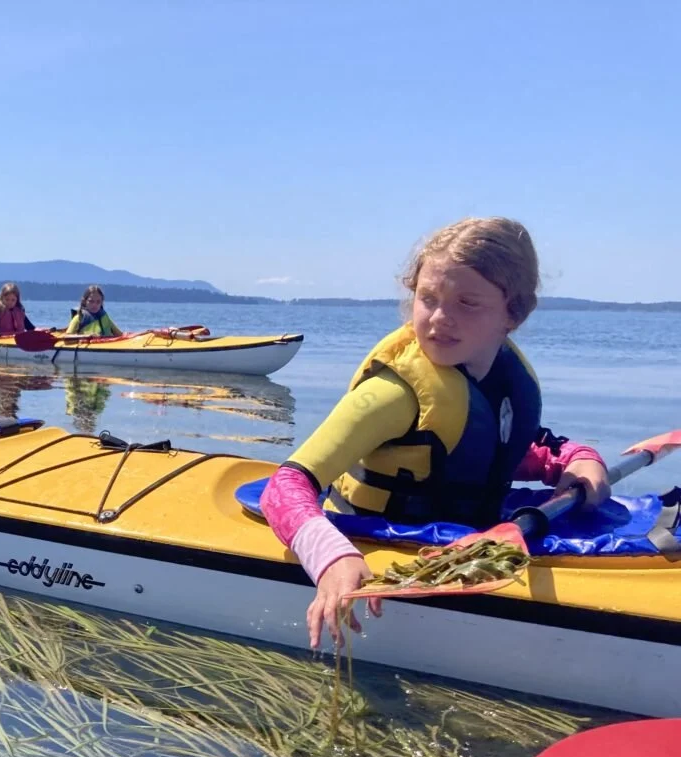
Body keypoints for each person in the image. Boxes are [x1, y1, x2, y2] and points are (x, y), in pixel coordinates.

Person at [259, 217, 611, 648]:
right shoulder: (395, 394)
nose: (440, 319)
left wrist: (577, 460)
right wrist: (329, 558)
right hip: (380, 542)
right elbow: (285, 485)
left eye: (467, 303)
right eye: (428, 298)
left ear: (513, 313)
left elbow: (516, 445)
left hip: (466, 539)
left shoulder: (501, 379)